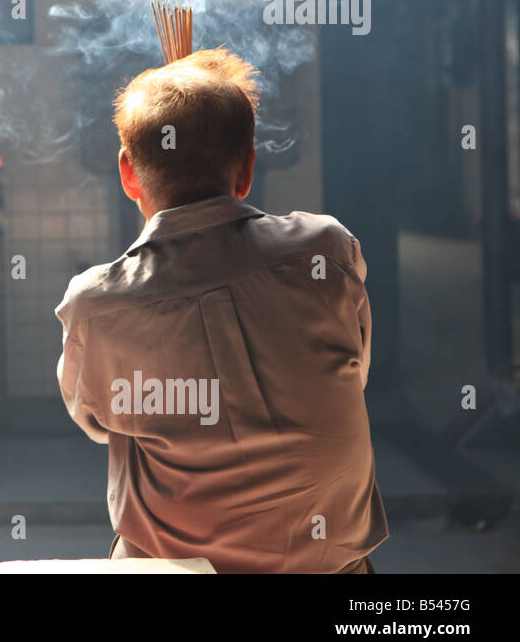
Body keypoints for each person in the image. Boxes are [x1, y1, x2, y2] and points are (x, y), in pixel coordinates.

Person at [55, 48, 388, 573]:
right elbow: (352, 373)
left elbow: (96, 421)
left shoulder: (95, 304)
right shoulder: (325, 251)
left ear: (128, 174)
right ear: (248, 167)